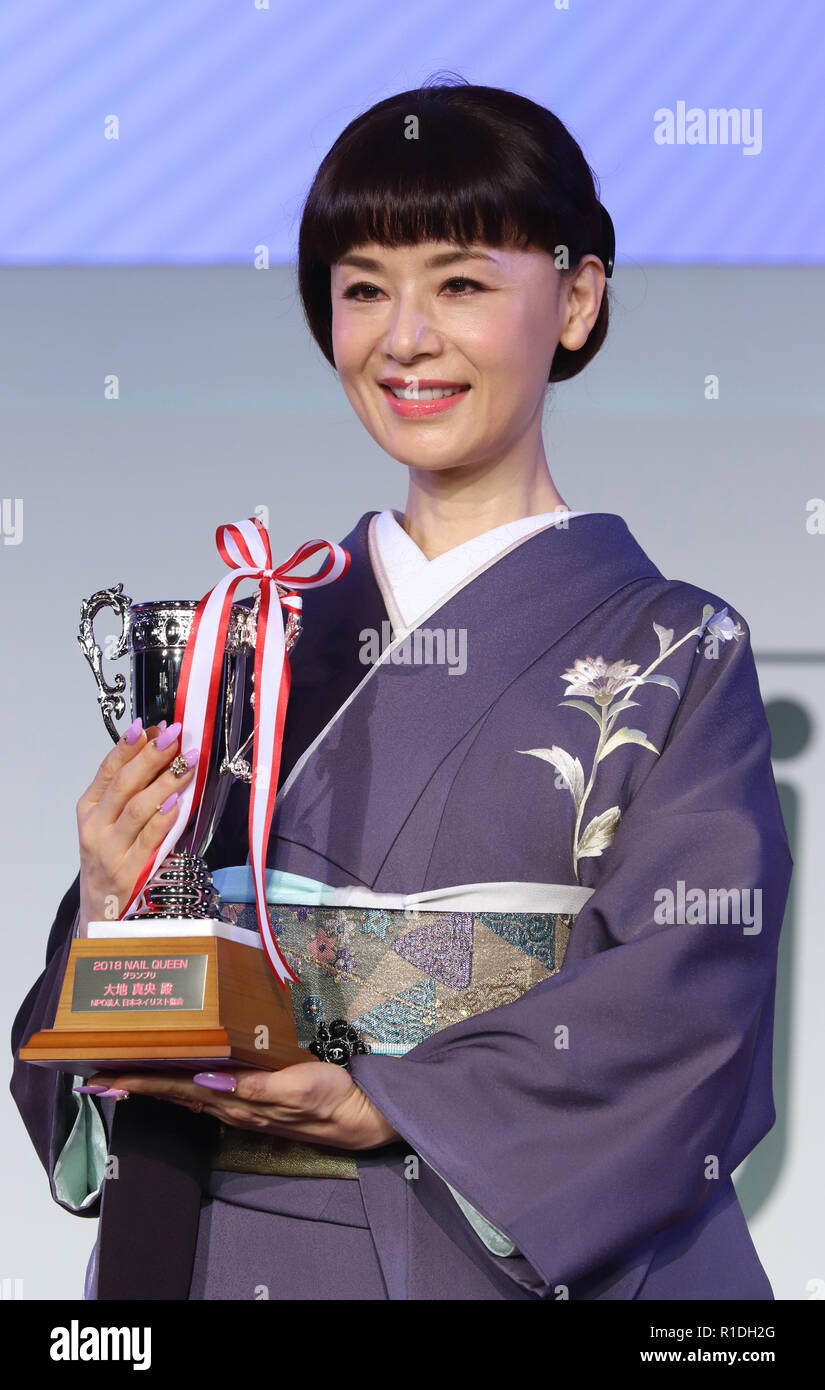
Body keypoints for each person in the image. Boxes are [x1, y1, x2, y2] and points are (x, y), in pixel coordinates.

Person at [11, 79, 792, 1301]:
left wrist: (383, 1098)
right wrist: (115, 914)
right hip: (219, 1240)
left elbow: (690, 1005)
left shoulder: (674, 648)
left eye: (462, 284)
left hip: (474, 1249)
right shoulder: (255, 633)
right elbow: (101, 1034)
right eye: (364, 287)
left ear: (576, 298)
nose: (405, 337)